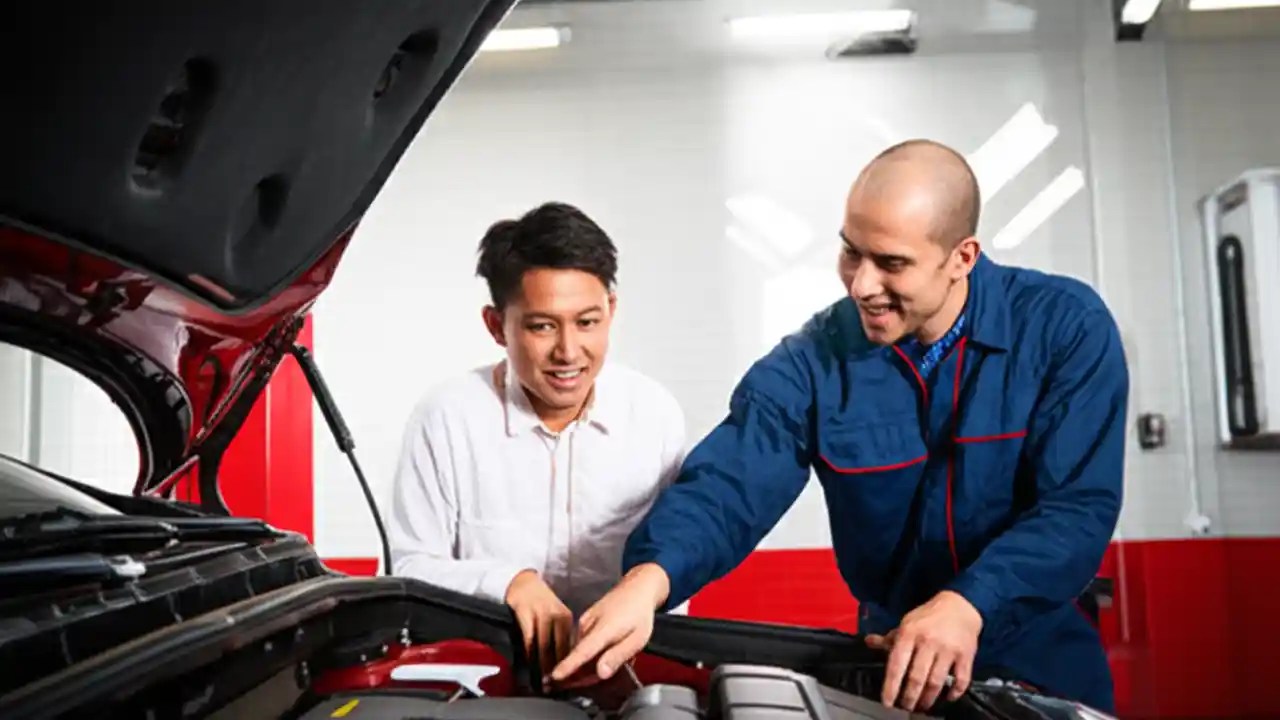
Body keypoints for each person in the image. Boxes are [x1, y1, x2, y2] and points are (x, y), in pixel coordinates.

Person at [551, 140, 1127, 714]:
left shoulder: (1063, 331)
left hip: (1041, 662)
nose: (861, 285)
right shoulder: (815, 361)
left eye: (892, 263)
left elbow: (1076, 509)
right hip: (895, 669)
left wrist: (966, 605)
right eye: (852, 252)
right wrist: (648, 581)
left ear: (963, 257)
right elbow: (730, 483)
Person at [387, 201, 687, 675]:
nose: (569, 352)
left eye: (587, 322)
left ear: (611, 310)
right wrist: (509, 581)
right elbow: (409, 568)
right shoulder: (446, 418)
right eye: (542, 326)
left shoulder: (654, 414)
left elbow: (670, 572)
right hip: (486, 677)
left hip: (621, 677)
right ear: (495, 325)